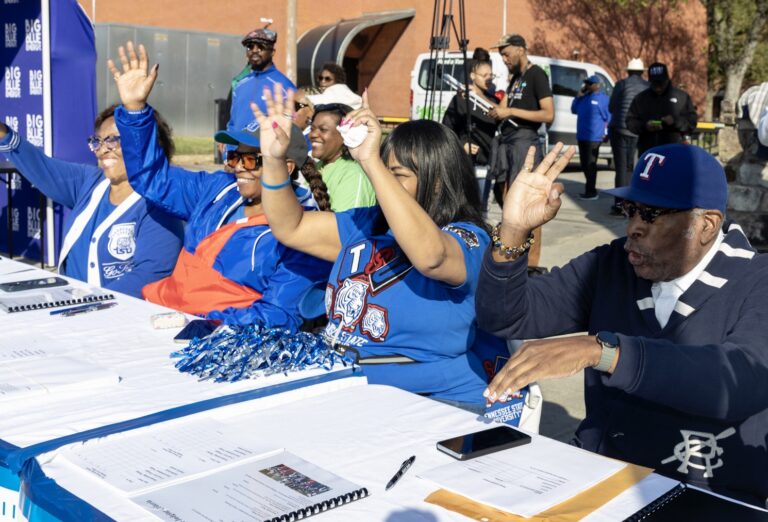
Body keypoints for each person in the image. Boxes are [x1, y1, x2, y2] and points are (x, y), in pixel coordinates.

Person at [476, 143, 768, 505]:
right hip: (603, 477)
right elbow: (506, 317)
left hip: (710, 494)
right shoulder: (612, 264)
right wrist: (513, 231)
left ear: (705, 225)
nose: (632, 228)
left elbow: (739, 381)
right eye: (629, 210)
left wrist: (606, 353)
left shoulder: (757, 280)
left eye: (650, 214)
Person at [251, 86, 498, 410]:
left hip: (433, 404)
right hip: (341, 387)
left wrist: (371, 161)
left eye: (397, 175)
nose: (381, 185)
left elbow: (431, 258)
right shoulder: (371, 223)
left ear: (437, 182)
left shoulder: (468, 237)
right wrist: (272, 159)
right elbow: (291, 227)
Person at [109, 42, 331, 329]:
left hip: (208, 343)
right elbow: (152, 178)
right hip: (158, 316)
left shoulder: (307, 234)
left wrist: (198, 325)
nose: (238, 165)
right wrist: (135, 110)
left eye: (251, 159)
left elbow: (278, 315)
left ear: (285, 167)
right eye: (235, 155)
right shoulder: (218, 189)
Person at [0, 109, 182, 299]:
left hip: (118, 319)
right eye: (98, 141)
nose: (102, 150)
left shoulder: (160, 205)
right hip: (73, 311)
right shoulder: (91, 182)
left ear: (145, 142)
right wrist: (4, 134)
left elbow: (149, 275)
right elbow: (42, 167)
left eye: (113, 140)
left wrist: (88, 303)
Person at [488, 33, 553, 267]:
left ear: (520, 49)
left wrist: (511, 112)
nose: (504, 59)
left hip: (526, 145)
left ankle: (532, 267)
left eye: (506, 53)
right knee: (509, 204)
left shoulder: (537, 75)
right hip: (508, 144)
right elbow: (503, 108)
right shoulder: (514, 78)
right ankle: (514, 259)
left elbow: (548, 114)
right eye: (501, 55)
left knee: (528, 206)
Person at [442, 56, 499, 213]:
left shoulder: (493, 101)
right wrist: (462, 146)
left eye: (491, 75)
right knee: (462, 209)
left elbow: (501, 117)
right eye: (484, 75)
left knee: (481, 210)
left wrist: (478, 96)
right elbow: (446, 128)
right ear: (473, 76)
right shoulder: (460, 99)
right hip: (463, 164)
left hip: (485, 163)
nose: (489, 79)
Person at [225, 27, 295, 142]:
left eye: (260, 47)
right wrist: (227, 148)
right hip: (236, 155)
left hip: (265, 155)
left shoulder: (284, 86)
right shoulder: (240, 84)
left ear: (272, 52)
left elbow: (294, 127)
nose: (254, 50)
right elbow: (233, 122)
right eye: (250, 47)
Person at [307, 103, 376, 211]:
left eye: (323, 129)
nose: (312, 135)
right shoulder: (315, 166)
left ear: (345, 134)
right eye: (312, 129)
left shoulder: (353, 175)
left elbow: (344, 225)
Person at [626, 62, 697, 155]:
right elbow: (630, 122)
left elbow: (691, 123)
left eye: (661, 83)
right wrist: (645, 126)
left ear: (667, 79)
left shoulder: (681, 97)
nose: (658, 88)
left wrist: (675, 121)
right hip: (648, 152)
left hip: (673, 152)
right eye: (655, 83)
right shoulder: (641, 99)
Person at [608, 58, 649, 215]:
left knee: (621, 168)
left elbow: (612, 107)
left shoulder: (621, 84)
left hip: (619, 129)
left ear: (628, 71)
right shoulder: (647, 86)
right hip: (637, 130)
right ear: (642, 72)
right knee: (633, 167)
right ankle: (632, 204)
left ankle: (619, 205)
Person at [571, 75, 610, 200]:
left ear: (597, 85)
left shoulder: (603, 99)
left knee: (590, 164)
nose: (587, 85)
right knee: (584, 164)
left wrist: (607, 133)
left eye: (590, 83)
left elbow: (608, 117)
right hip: (582, 136)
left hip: (594, 137)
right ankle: (589, 189)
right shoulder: (584, 98)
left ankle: (591, 192)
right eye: (586, 83)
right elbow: (573, 109)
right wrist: (578, 95)